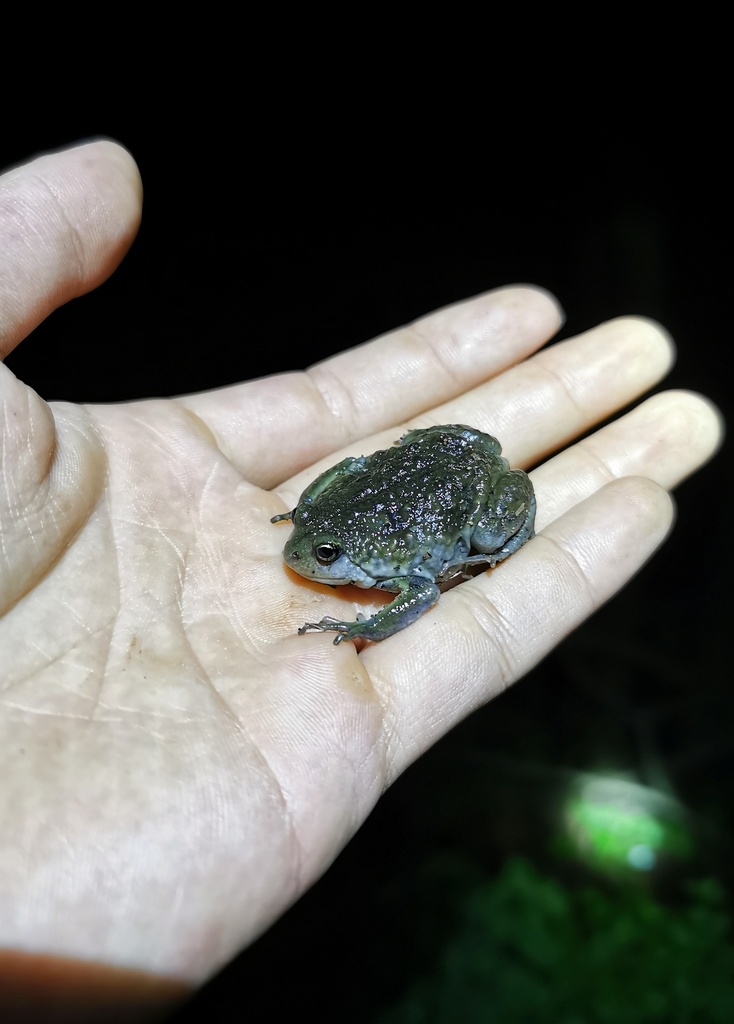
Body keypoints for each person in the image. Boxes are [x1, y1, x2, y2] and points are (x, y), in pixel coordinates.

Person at [0, 140, 723, 1021]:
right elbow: (359, 513)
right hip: (410, 472)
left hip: (454, 489)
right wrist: (315, 528)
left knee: (493, 514)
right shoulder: (335, 523)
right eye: (311, 545)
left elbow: (421, 587)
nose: (309, 566)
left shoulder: (399, 564)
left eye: (326, 559)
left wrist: (368, 625)